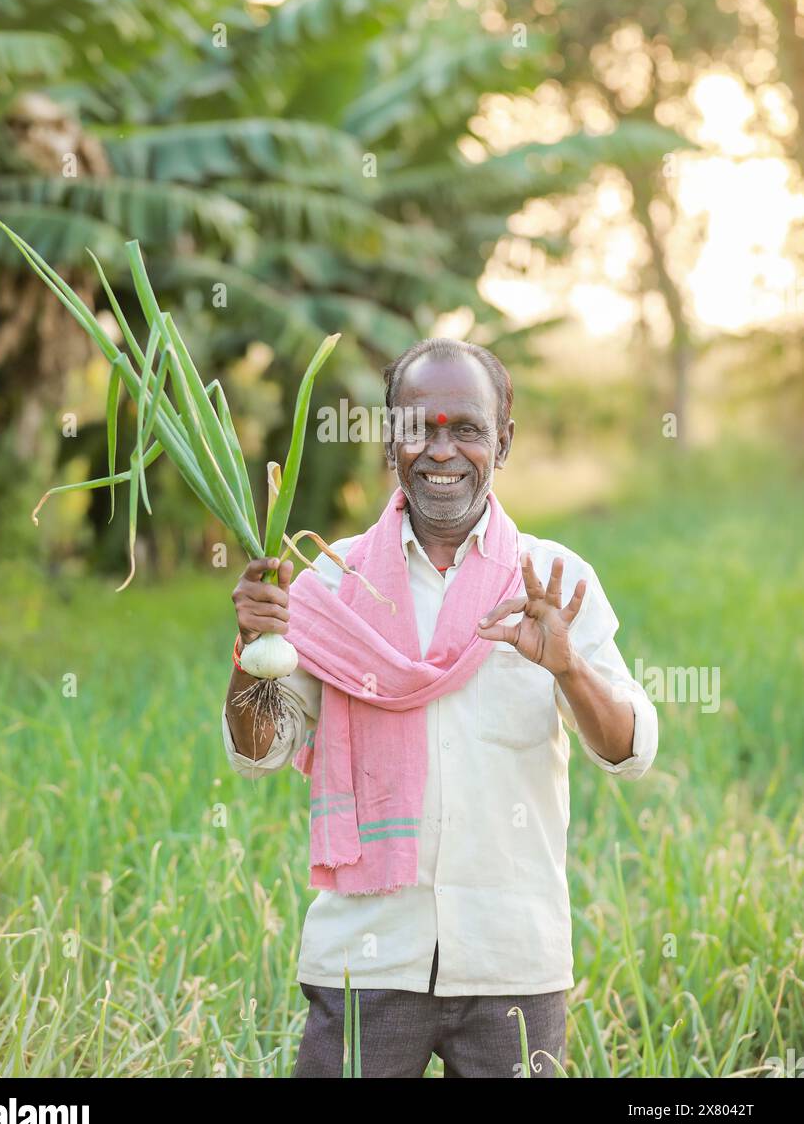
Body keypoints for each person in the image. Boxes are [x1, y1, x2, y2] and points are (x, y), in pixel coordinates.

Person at [222, 338, 659, 1078]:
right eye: (420, 427)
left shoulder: (555, 580)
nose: (441, 450)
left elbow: (630, 752)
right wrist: (249, 650)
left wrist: (570, 669)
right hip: (365, 957)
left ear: (504, 441)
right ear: (391, 440)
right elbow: (260, 750)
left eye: (467, 429)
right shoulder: (328, 586)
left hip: (512, 963)